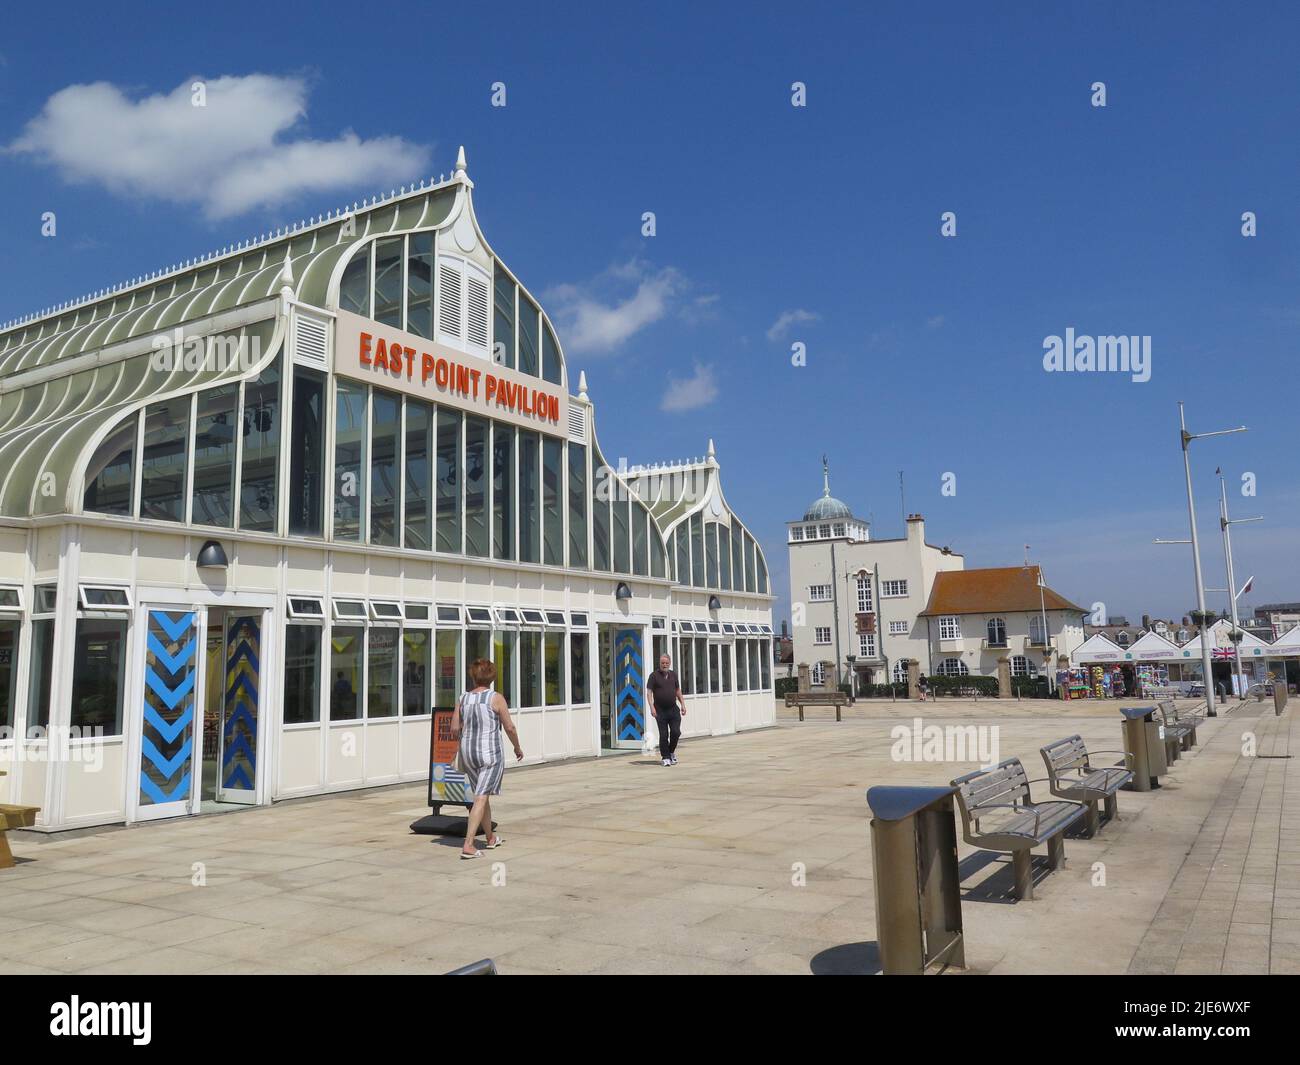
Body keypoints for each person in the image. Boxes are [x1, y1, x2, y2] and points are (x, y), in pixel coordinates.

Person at [450, 658, 523, 859]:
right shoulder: (496, 698)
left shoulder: (463, 698)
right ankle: (468, 844)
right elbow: (510, 727)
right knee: (480, 797)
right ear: (492, 677)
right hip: (489, 753)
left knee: (482, 795)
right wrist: (517, 747)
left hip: (469, 753)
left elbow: (454, 728)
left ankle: (490, 838)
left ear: (473, 676)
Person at [646, 653, 686, 767]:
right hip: (660, 710)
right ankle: (665, 757)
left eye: (666, 663)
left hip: (673, 709)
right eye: (662, 663)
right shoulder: (654, 676)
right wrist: (652, 707)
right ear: (659, 663)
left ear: (670, 663)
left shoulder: (673, 675)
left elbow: (678, 691)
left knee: (676, 732)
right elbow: (649, 693)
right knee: (663, 735)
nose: (664, 665)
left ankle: (671, 752)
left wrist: (683, 704)